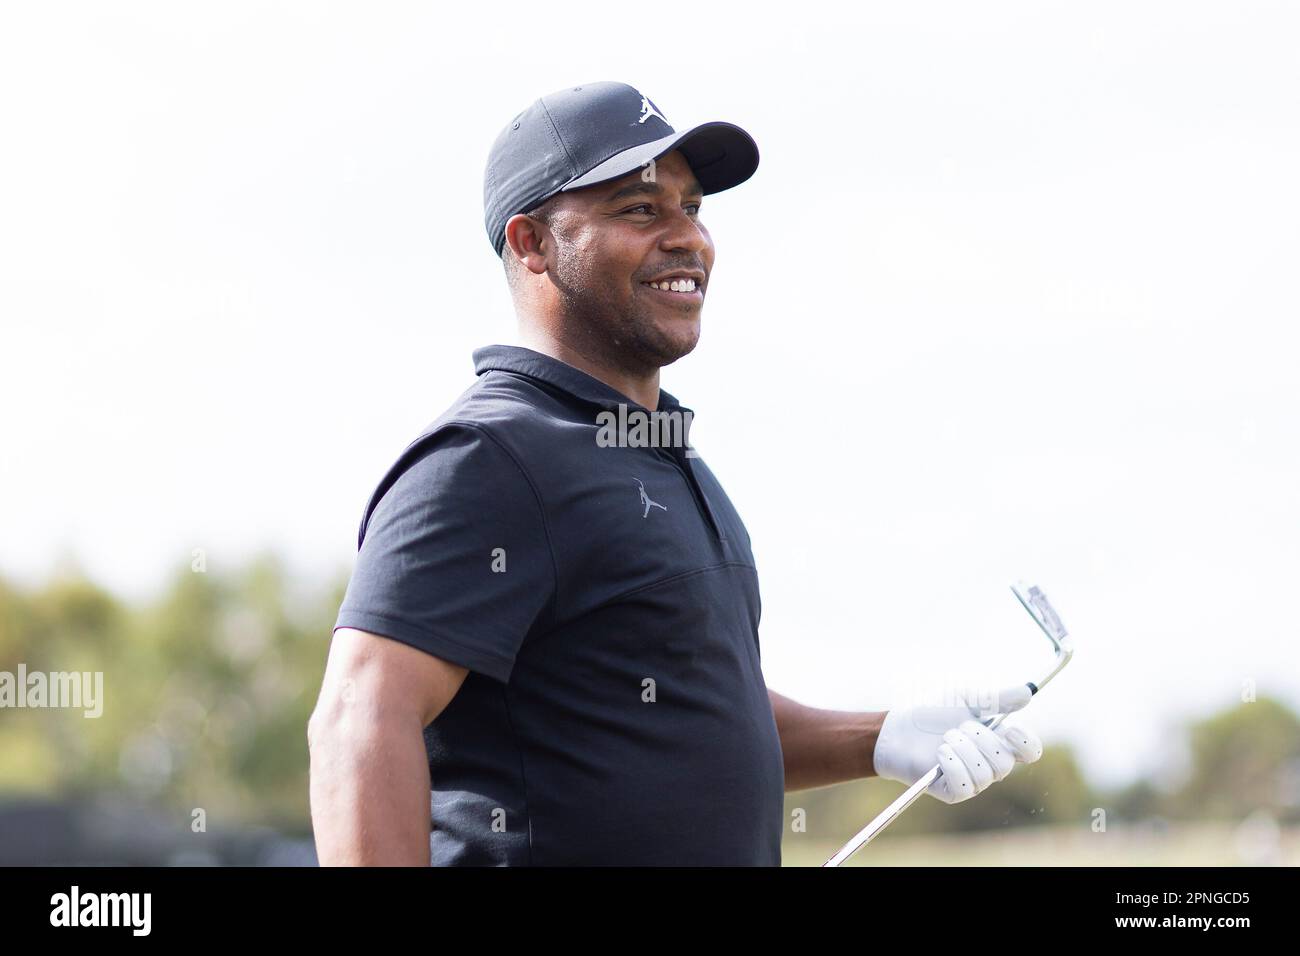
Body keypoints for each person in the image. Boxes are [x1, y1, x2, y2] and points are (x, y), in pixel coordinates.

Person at [307, 81, 1042, 866]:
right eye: (639, 209)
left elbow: (676, 712)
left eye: (693, 207)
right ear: (532, 244)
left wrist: (879, 736)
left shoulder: (658, 454)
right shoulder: (489, 457)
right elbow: (360, 716)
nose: (687, 237)